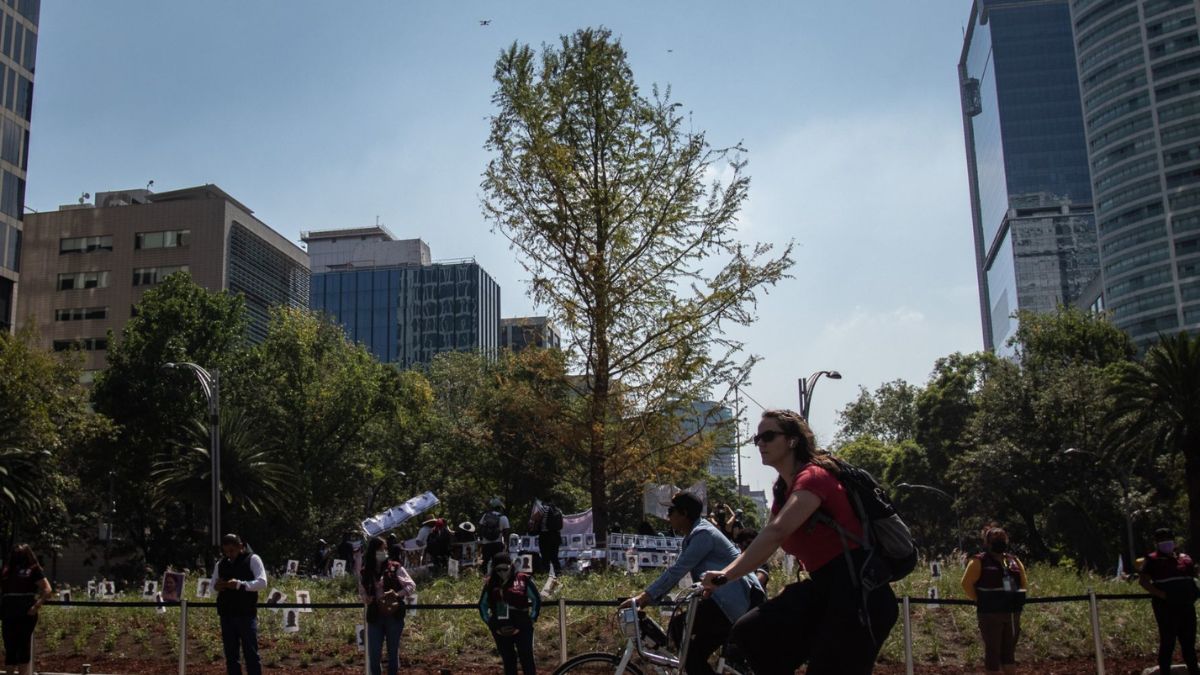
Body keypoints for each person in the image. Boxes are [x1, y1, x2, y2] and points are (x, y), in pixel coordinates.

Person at [700, 409, 899, 675]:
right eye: (756, 439)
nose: (761, 444)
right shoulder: (783, 489)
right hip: (823, 590)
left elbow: (777, 533)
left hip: (859, 594)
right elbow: (767, 538)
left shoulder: (814, 477)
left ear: (793, 440)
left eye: (768, 436)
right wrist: (725, 576)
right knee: (750, 632)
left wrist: (725, 575)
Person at [622, 492, 762, 675]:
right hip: (726, 603)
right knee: (692, 655)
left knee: (680, 630)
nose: (668, 516)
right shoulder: (695, 534)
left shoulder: (703, 534)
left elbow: (677, 570)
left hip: (733, 602)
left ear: (684, 513)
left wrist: (644, 597)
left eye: (671, 511)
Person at [961, 526, 1027, 675]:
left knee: (1009, 654)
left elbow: (1023, 583)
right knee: (993, 653)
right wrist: (980, 599)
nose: (1000, 543)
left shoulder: (1014, 561)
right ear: (987, 543)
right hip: (990, 614)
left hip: (1011, 613)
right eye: (996, 540)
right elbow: (966, 583)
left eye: (1002, 540)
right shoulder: (978, 561)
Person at [1138, 527, 1199, 674]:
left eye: (1169, 540)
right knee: (1168, 643)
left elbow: (1192, 578)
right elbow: (1144, 582)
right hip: (1166, 608)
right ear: (1157, 543)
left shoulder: (1185, 558)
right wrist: (1163, 595)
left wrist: (1195, 592)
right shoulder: (1151, 560)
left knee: (1189, 645)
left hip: (1186, 607)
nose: (1166, 543)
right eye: (1162, 540)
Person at [211, 533, 268, 675]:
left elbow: (262, 582)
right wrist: (217, 586)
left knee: (251, 655)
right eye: (226, 551)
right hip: (226, 614)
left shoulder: (252, 559)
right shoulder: (221, 564)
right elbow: (212, 586)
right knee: (231, 657)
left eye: (232, 551)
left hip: (246, 614)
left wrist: (240, 585)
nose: (229, 554)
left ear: (241, 547)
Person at [360, 536, 416, 675]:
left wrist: (397, 594)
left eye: (384, 549)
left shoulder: (395, 567)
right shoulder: (365, 571)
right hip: (375, 615)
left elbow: (411, 585)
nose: (383, 552)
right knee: (374, 654)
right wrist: (366, 597)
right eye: (380, 549)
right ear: (373, 551)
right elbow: (362, 591)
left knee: (393, 653)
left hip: (394, 614)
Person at [478, 552, 540, 675]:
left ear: (511, 566)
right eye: (498, 570)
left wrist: (532, 619)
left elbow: (536, 599)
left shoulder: (523, 579)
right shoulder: (490, 583)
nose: (502, 572)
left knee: (526, 657)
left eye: (505, 569)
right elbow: (482, 605)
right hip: (500, 625)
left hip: (522, 624)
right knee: (508, 660)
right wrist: (490, 622)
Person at [1, 545, 52, 675]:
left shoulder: (33, 569)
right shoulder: (6, 570)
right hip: (8, 612)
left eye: (19, 552)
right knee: (10, 647)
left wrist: (36, 606)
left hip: (25, 612)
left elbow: (47, 589)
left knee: (23, 647)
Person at [529, 499, 563, 576]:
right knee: (555, 557)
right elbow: (561, 526)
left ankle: (546, 575)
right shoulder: (558, 510)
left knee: (545, 557)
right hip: (556, 536)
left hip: (545, 536)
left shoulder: (544, 508)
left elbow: (534, 518)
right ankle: (558, 574)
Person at [479, 498, 511, 573]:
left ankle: (484, 576)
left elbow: (480, 528)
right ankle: (496, 577)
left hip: (486, 544)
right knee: (497, 562)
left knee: (485, 561)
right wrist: (507, 545)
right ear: (500, 508)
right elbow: (506, 533)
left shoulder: (485, 516)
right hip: (497, 544)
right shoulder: (503, 518)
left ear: (492, 507)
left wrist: (482, 540)